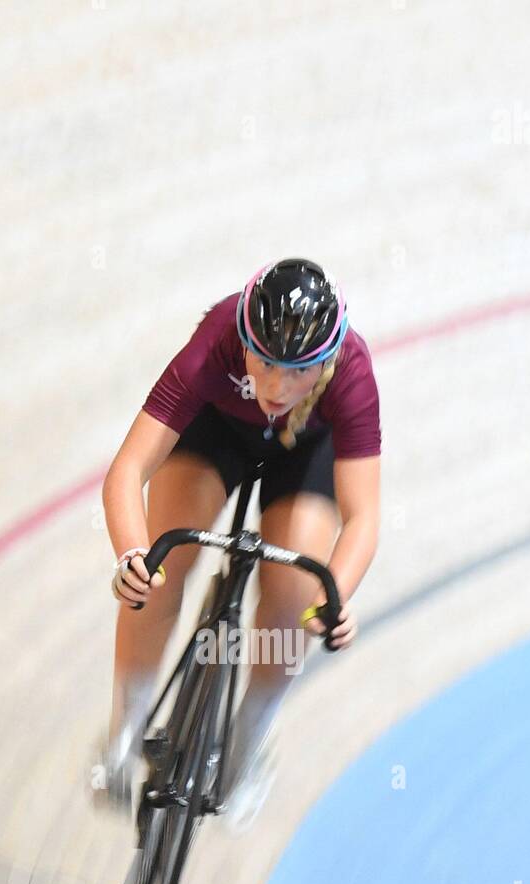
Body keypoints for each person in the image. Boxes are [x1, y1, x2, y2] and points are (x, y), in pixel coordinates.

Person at [98, 257, 382, 832]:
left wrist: (336, 597)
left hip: (303, 457)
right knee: (161, 570)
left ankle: (247, 743)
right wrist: (132, 555)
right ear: (244, 340)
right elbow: (128, 471)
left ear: (327, 362)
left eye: (298, 371)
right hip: (216, 437)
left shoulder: (353, 370)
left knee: (292, 599)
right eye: (265, 362)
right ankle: (126, 728)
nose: (276, 387)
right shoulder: (219, 336)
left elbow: (363, 517)